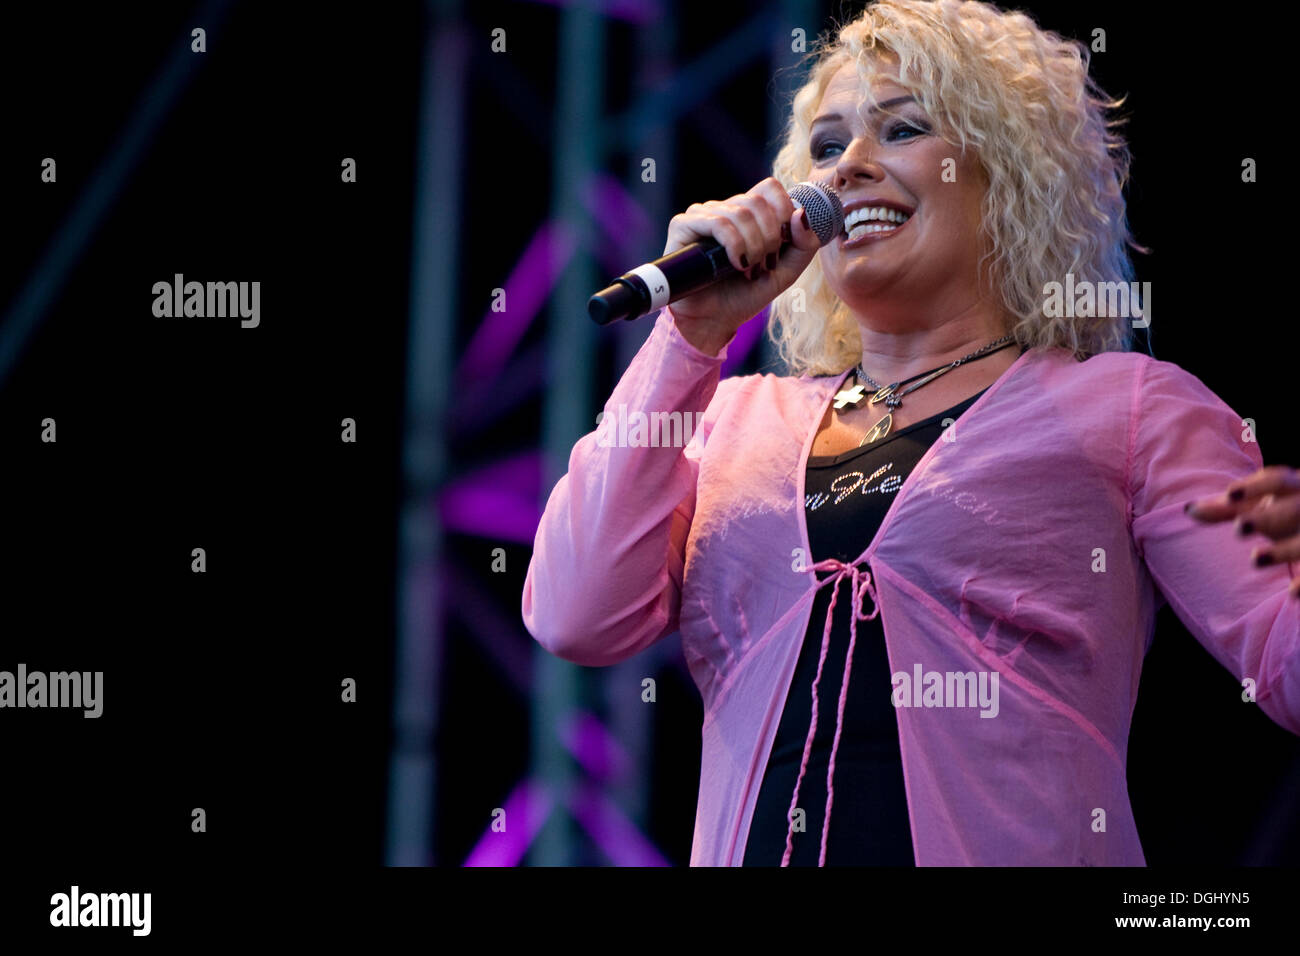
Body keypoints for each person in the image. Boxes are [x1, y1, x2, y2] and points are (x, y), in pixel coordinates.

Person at [521, 0, 1300, 866]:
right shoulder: (737, 421)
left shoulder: (1131, 409)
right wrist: (687, 338)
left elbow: (1282, 646)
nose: (849, 168)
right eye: (826, 145)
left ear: (1008, 169)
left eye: (903, 130)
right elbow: (576, 614)